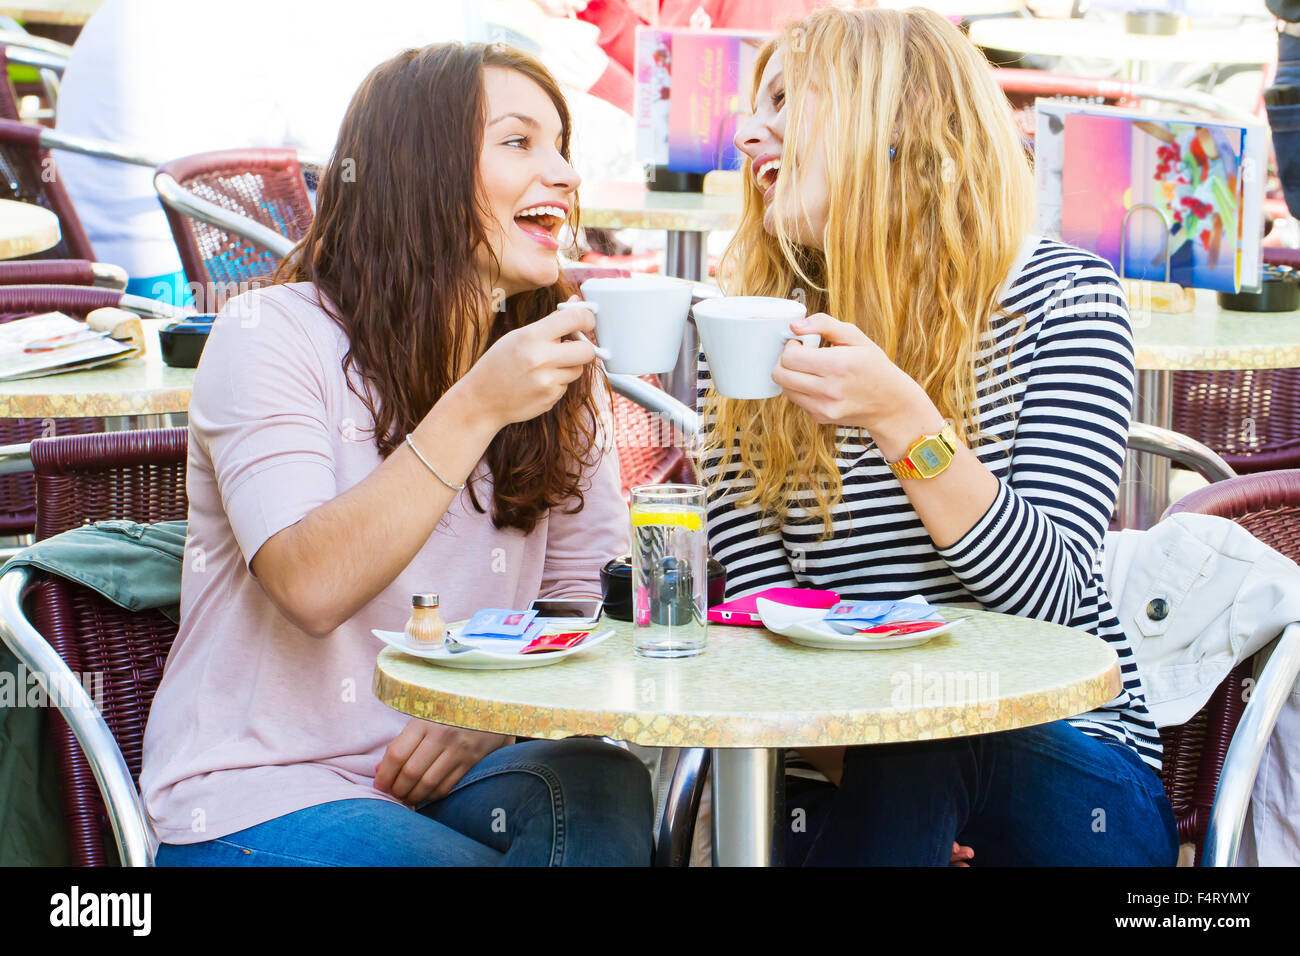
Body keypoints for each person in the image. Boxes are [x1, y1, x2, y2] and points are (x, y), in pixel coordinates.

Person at [139, 42, 653, 866]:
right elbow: (311, 585)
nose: (561, 172)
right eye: (520, 143)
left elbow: (586, 605)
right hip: (261, 792)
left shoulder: (552, 362)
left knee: (600, 783)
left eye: (562, 147)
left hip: (451, 781)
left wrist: (489, 710)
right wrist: (476, 406)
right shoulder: (273, 335)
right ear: (420, 172)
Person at [700, 7, 1179, 866]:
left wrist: (902, 418)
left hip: (1065, 767)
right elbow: (759, 636)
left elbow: (1052, 598)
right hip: (837, 767)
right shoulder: (756, 332)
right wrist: (869, 775)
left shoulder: (1062, 301)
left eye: (785, 101)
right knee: (905, 749)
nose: (746, 133)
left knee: (931, 722)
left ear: (896, 123)